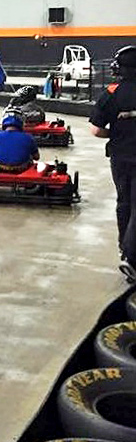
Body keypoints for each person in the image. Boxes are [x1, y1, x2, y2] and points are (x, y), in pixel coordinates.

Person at [89, 45, 136, 283]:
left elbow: (96, 130)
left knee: (124, 202)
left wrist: (116, 132)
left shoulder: (111, 92)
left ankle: (126, 251)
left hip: (121, 157)